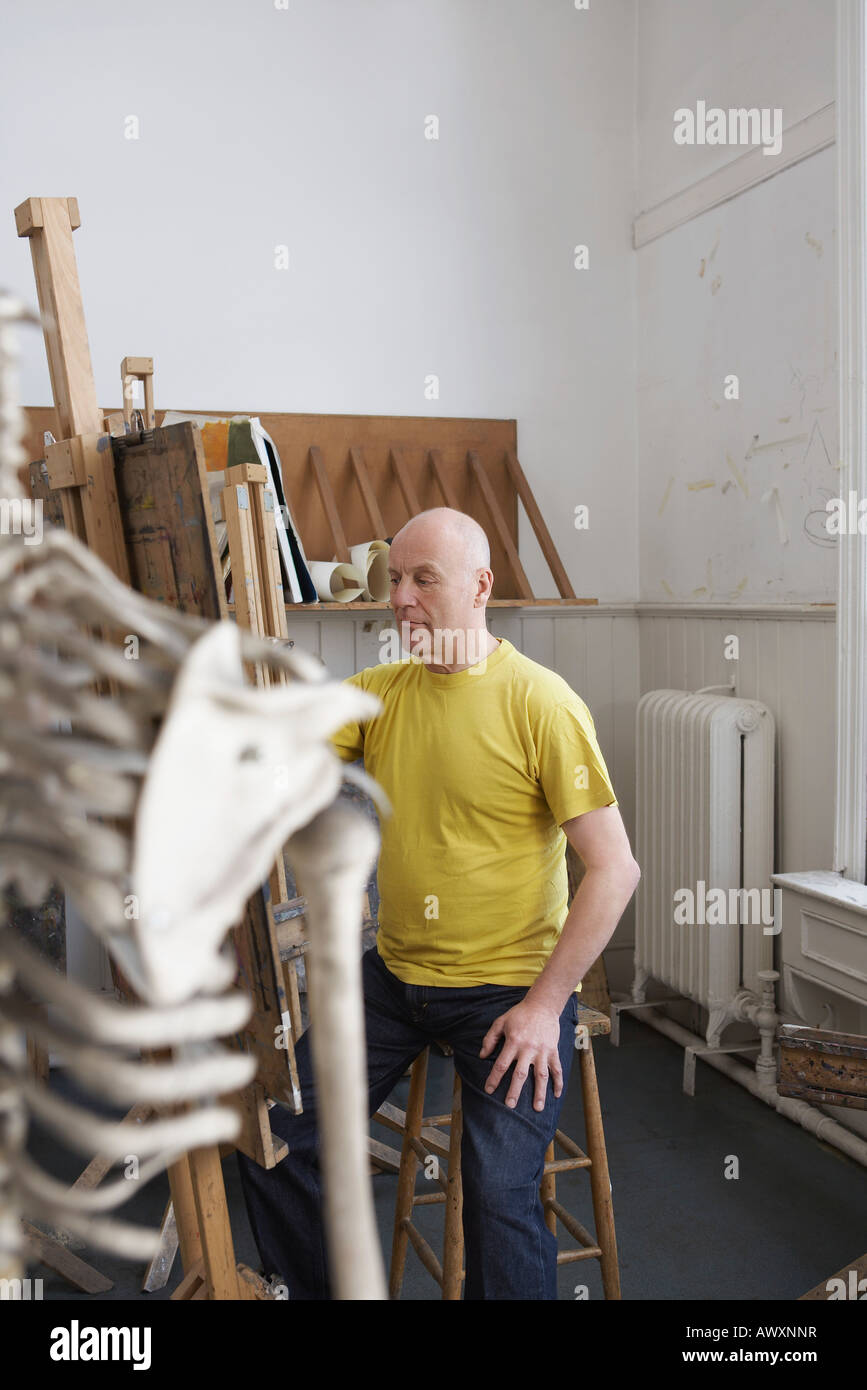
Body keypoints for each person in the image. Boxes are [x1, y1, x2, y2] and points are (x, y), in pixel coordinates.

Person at [237, 507, 640, 1299]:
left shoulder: (541, 704)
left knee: (495, 1193)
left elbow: (615, 869)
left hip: (510, 993)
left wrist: (542, 1006)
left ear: (480, 586)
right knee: (275, 1138)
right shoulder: (379, 695)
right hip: (396, 979)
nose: (401, 598)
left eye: (425, 578)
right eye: (396, 579)